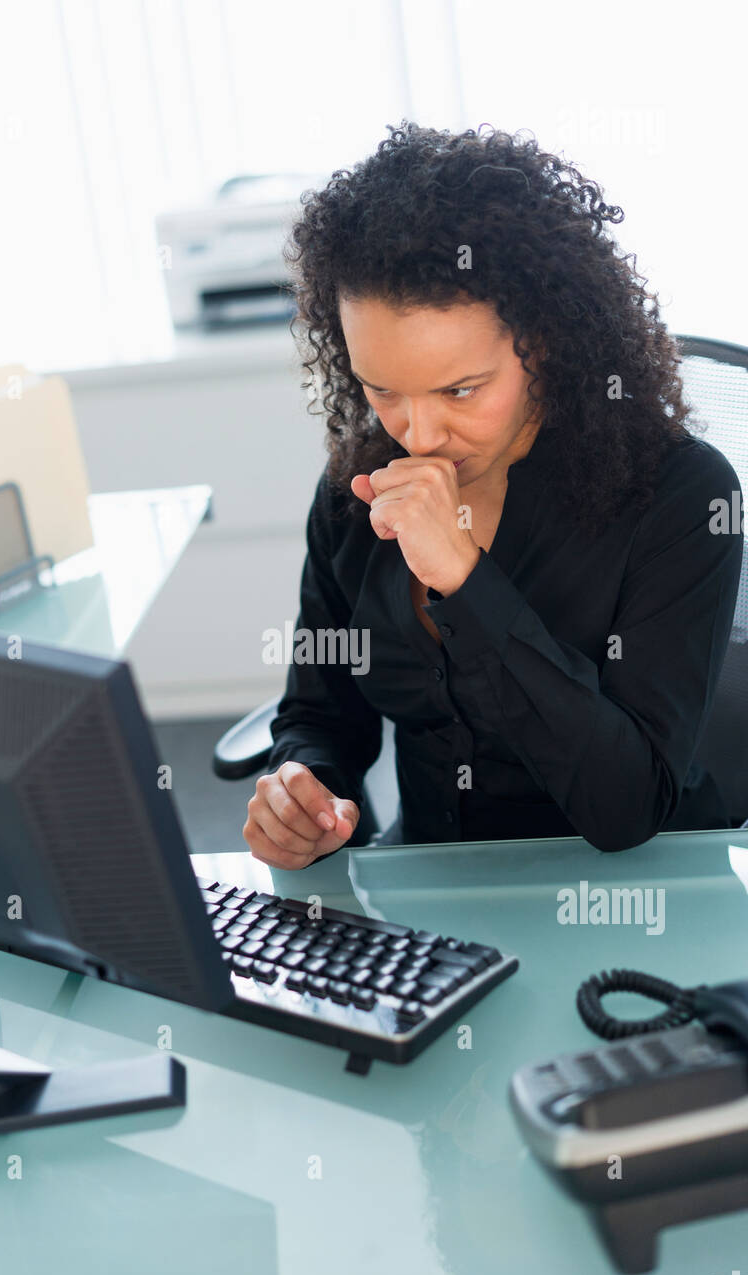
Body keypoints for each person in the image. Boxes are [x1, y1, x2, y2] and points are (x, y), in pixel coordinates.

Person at [243, 122, 743, 870]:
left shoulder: (679, 495)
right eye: (384, 391)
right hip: (435, 895)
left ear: (544, 342)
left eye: (461, 389)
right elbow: (320, 713)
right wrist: (303, 791)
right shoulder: (356, 491)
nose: (419, 434)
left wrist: (466, 582)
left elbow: (628, 804)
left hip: (639, 890)